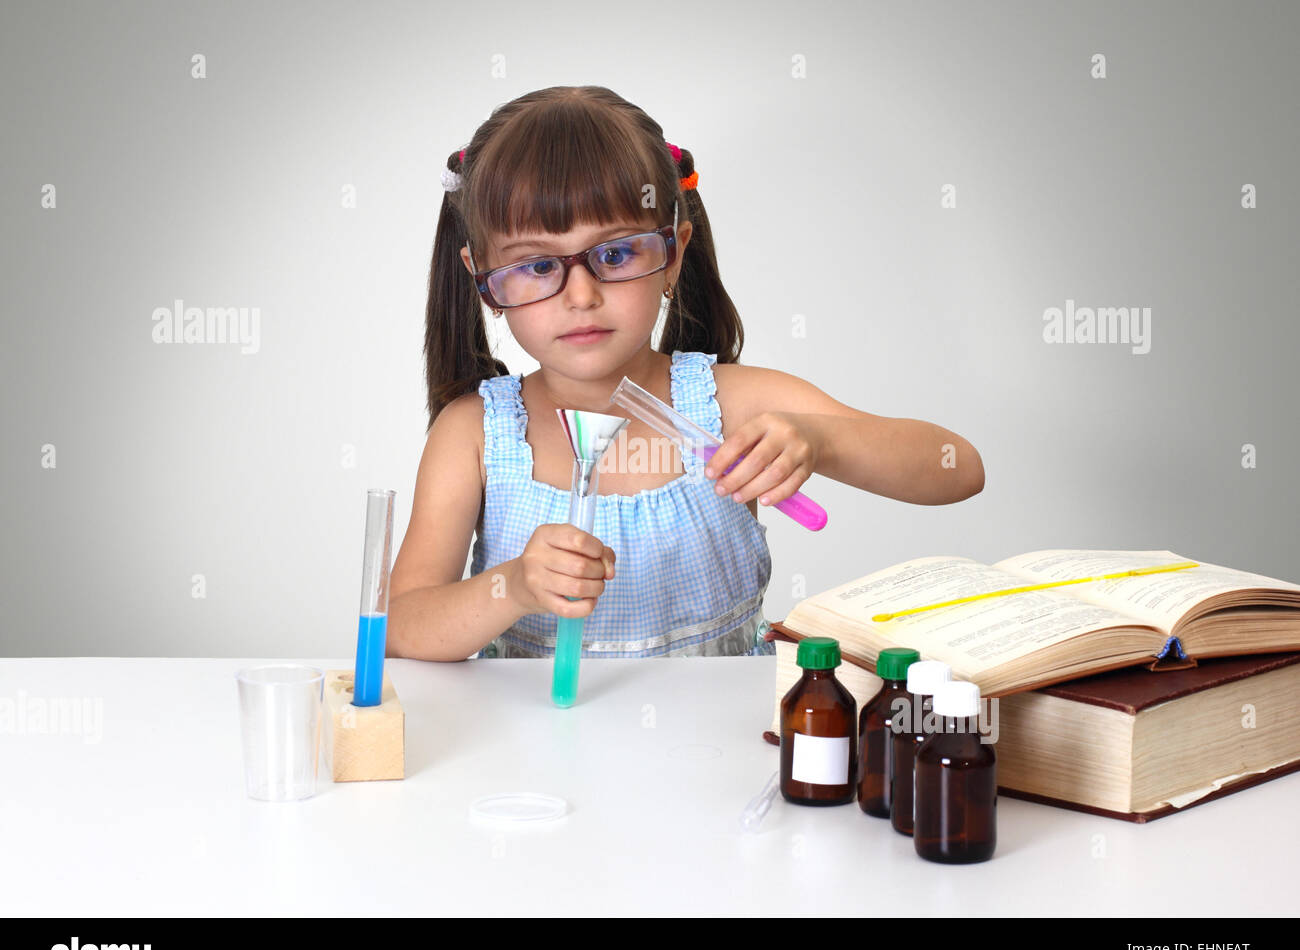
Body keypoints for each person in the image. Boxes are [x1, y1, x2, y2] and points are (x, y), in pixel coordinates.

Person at [387, 85, 984, 662]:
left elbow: (956, 467)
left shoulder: (735, 403)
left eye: (616, 253)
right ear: (482, 277)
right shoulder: (474, 434)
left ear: (672, 254)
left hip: (724, 750)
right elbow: (402, 624)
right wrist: (511, 587)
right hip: (537, 752)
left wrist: (822, 441)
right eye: (539, 265)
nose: (581, 295)